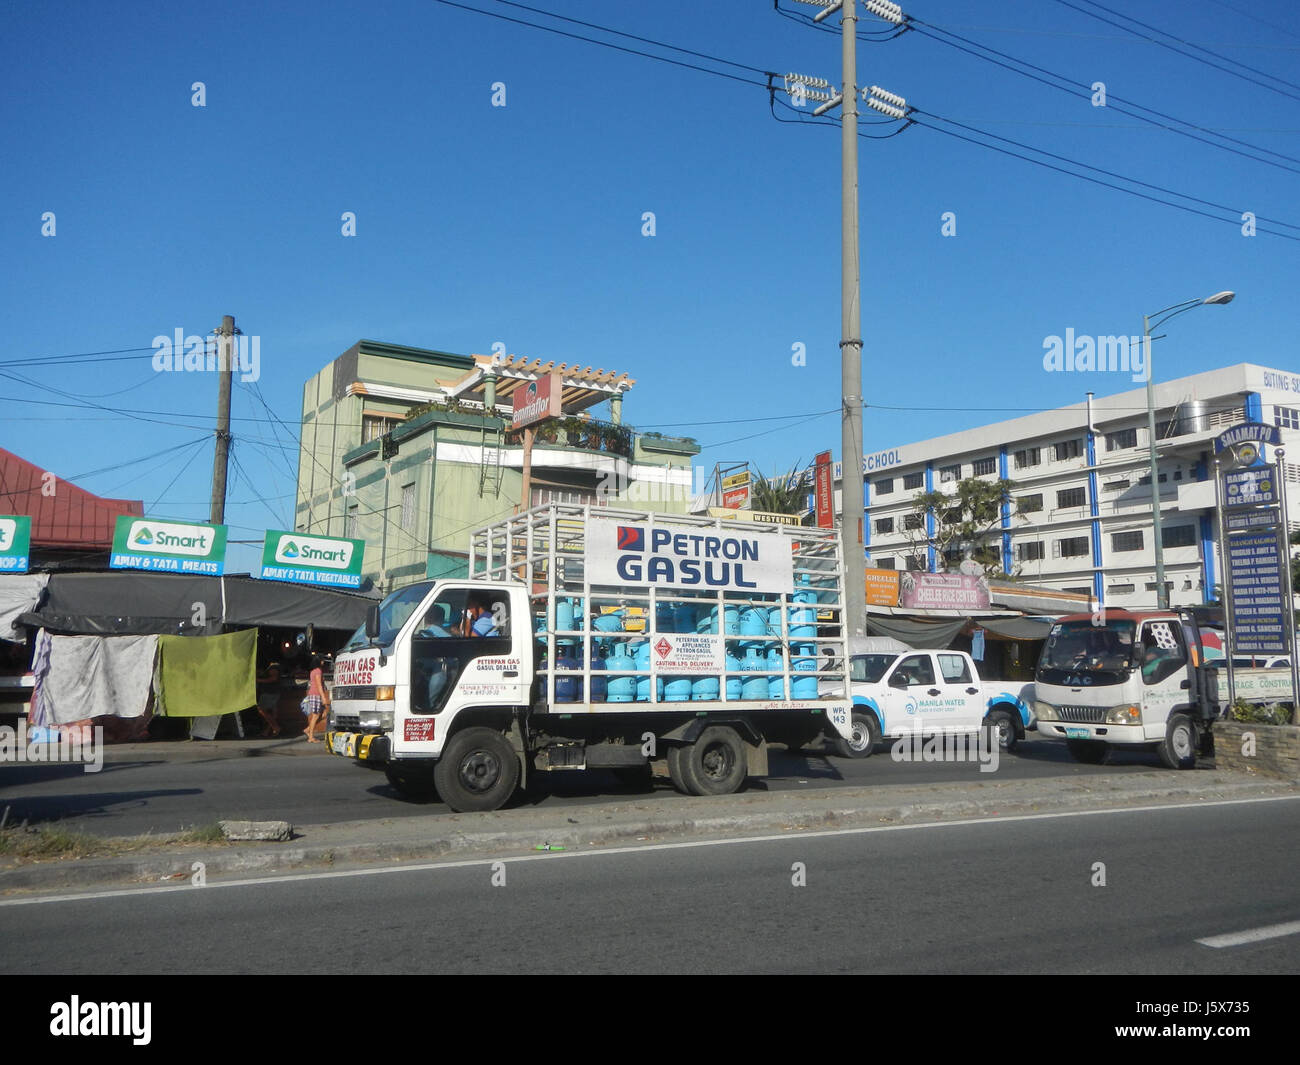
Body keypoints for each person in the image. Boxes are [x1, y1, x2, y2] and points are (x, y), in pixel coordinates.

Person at [303, 656, 331, 743]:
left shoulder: (313, 671)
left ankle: (308, 730)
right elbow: (319, 685)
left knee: (322, 714)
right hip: (316, 695)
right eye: (322, 660)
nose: (323, 662)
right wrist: (323, 697)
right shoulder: (318, 671)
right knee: (316, 715)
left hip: (313, 694)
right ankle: (310, 737)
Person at [256, 660, 282, 738]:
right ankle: (267, 731)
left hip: (270, 693)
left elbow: (274, 678)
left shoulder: (274, 667)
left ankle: (276, 728)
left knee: (261, 709)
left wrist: (259, 680)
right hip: (272, 692)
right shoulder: (271, 668)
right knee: (272, 713)